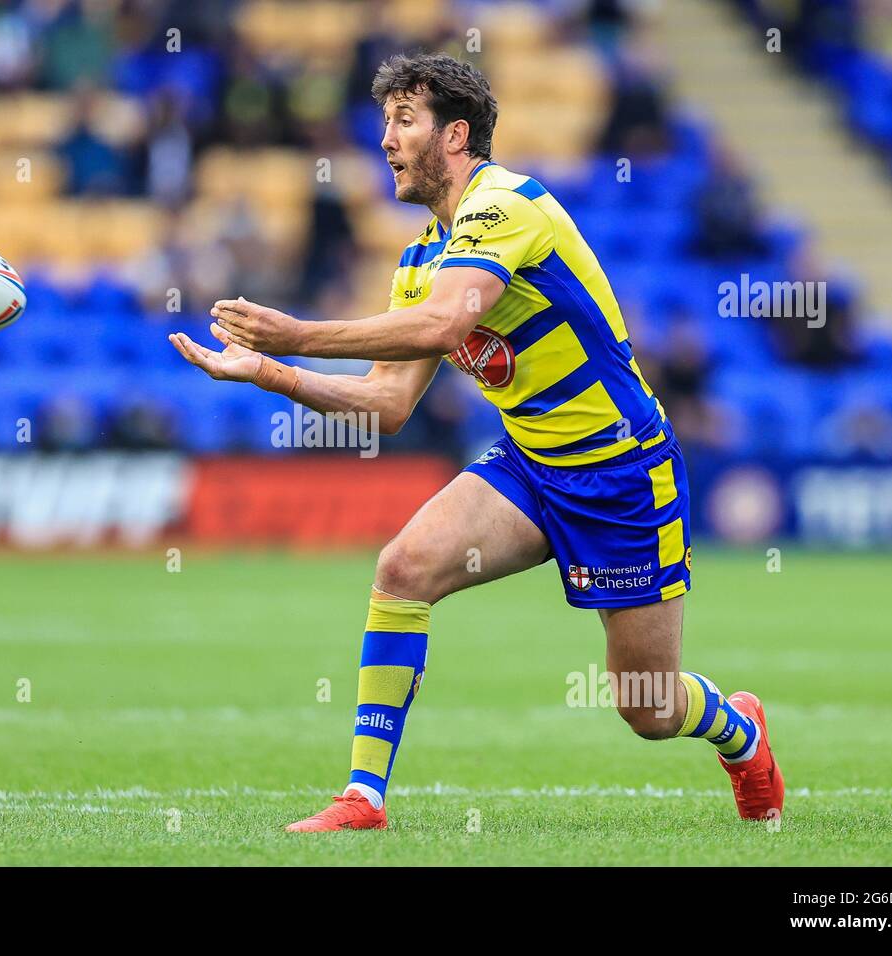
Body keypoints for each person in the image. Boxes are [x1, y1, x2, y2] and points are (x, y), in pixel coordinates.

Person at [169, 53, 783, 831]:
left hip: (621, 471)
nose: (385, 140)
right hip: (530, 465)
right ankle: (364, 798)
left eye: (404, 121)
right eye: (384, 120)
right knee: (402, 568)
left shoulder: (507, 204)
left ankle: (742, 730)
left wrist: (296, 333)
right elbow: (389, 405)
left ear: (455, 135)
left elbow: (446, 323)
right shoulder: (423, 253)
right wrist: (269, 372)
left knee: (648, 707)